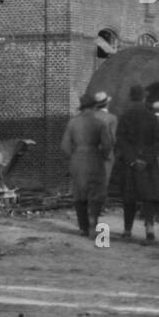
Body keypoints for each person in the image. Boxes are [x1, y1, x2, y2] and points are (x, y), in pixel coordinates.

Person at [60, 92, 113, 236]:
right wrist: (102, 155)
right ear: (94, 106)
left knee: (79, 193)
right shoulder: (99, 123)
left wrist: (73, 157)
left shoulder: (72, 123)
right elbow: (107, 145)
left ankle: (83, 227)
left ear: (82, 108)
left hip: (78, 160)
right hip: (95, 158)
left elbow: (64, 146)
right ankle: (93, 220)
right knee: (96, 192)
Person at [115, 85, 159, 242]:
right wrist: (146, 160)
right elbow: (158, 142)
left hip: (130, 166)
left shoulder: (124, 117)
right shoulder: (152, 117)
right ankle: (149, 229)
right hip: (147, 167)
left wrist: (132, 160)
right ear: (144, 98)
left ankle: (127, 230)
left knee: (129, 199)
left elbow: (121, 141)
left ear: (131, 98)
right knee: (148, 197)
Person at [92, 92, 118, 200]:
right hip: (106, 154)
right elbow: (112, 138)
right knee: (104, 179)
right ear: (107, 104)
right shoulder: (112, 118)